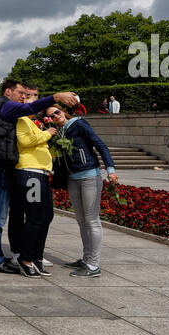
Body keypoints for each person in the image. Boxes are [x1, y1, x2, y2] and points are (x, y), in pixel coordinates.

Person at [0, 79, 79, 272]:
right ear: (8, 92)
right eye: (21, 93)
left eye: (27, 93)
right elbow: (27, 121)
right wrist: (55, 98)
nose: (24, 97)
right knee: (0, 216)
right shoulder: (6, 106)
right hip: (5, 167)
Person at [48, 105, 117, 277]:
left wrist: (110, 169)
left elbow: (100, 145)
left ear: (63, 111)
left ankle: (93, 265)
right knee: (81, 220)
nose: (55, 116)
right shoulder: (59, 133)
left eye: (57, 112)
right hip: (73, 178)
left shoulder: (78, 124)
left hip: (89, 177)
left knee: (92, 220)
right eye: (50, 116)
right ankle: (86, 259)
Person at [8, 102, 59, 277]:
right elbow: (24, 141)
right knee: (35, 216)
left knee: (46, 216)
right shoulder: (22, 120)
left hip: (42, 175)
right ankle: (25, 258)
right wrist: (47, 133)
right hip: (30, 175)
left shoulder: (35, 123)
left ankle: (37, 256)